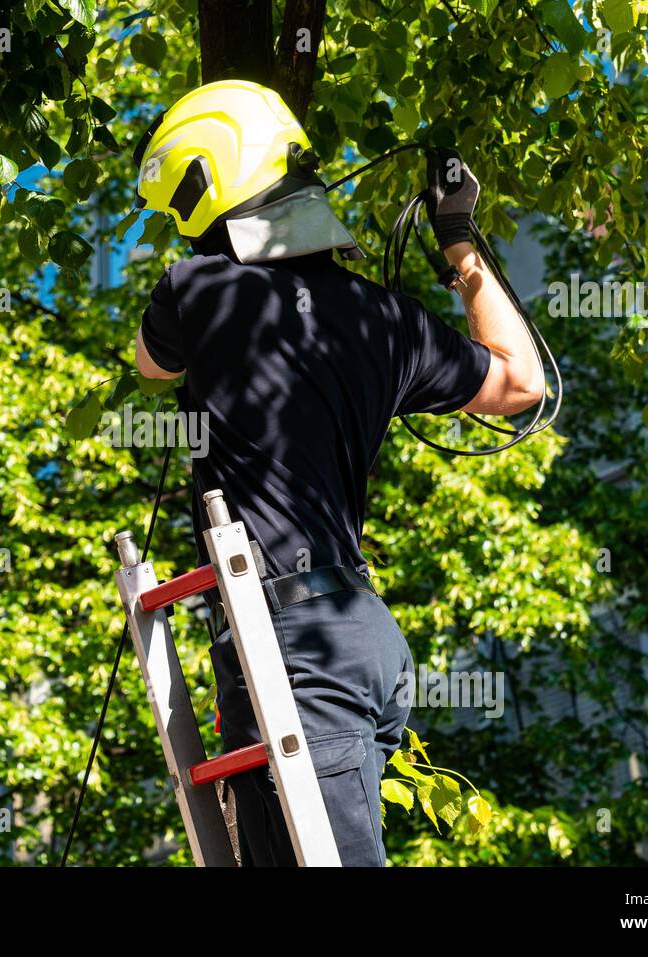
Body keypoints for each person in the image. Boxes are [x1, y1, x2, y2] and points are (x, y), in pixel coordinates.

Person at [129, 80, 543, 866]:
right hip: (347, 637)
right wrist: (459, 239)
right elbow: (522, 383)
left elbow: (152, 365)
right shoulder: (386, 318)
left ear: (209, 181)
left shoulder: (197, 290)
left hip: (291, 650)